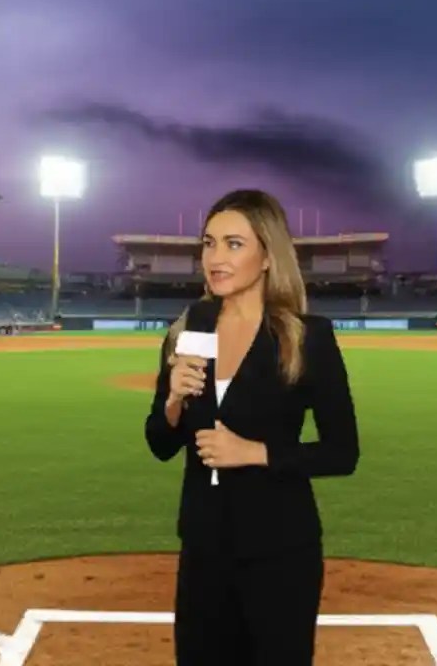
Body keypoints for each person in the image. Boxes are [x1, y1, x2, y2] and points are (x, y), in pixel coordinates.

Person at [143, 188, 360, 665]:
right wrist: (174, 401)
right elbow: (160, 443)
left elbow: (343, 452)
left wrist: (255, 452)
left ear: (267, 255)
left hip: (281, 551)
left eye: (234, 244)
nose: (215, 258)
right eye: (208, 243)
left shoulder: (305, 337)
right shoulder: (188, 329)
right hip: (202, 551)